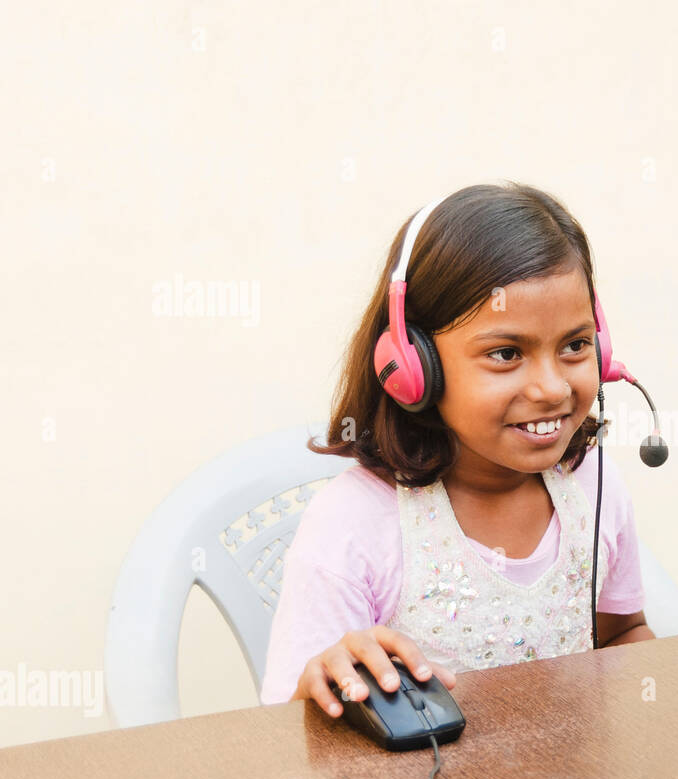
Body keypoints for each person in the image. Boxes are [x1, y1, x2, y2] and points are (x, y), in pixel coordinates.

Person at [260, 183, 654, 716]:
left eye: (576, 345)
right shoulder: (354, 523)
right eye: (507, 353)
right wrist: (323, 683)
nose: (553, 389)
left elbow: (620, 634)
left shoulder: (591, 482)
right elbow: (292, 725)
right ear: (412, 367)